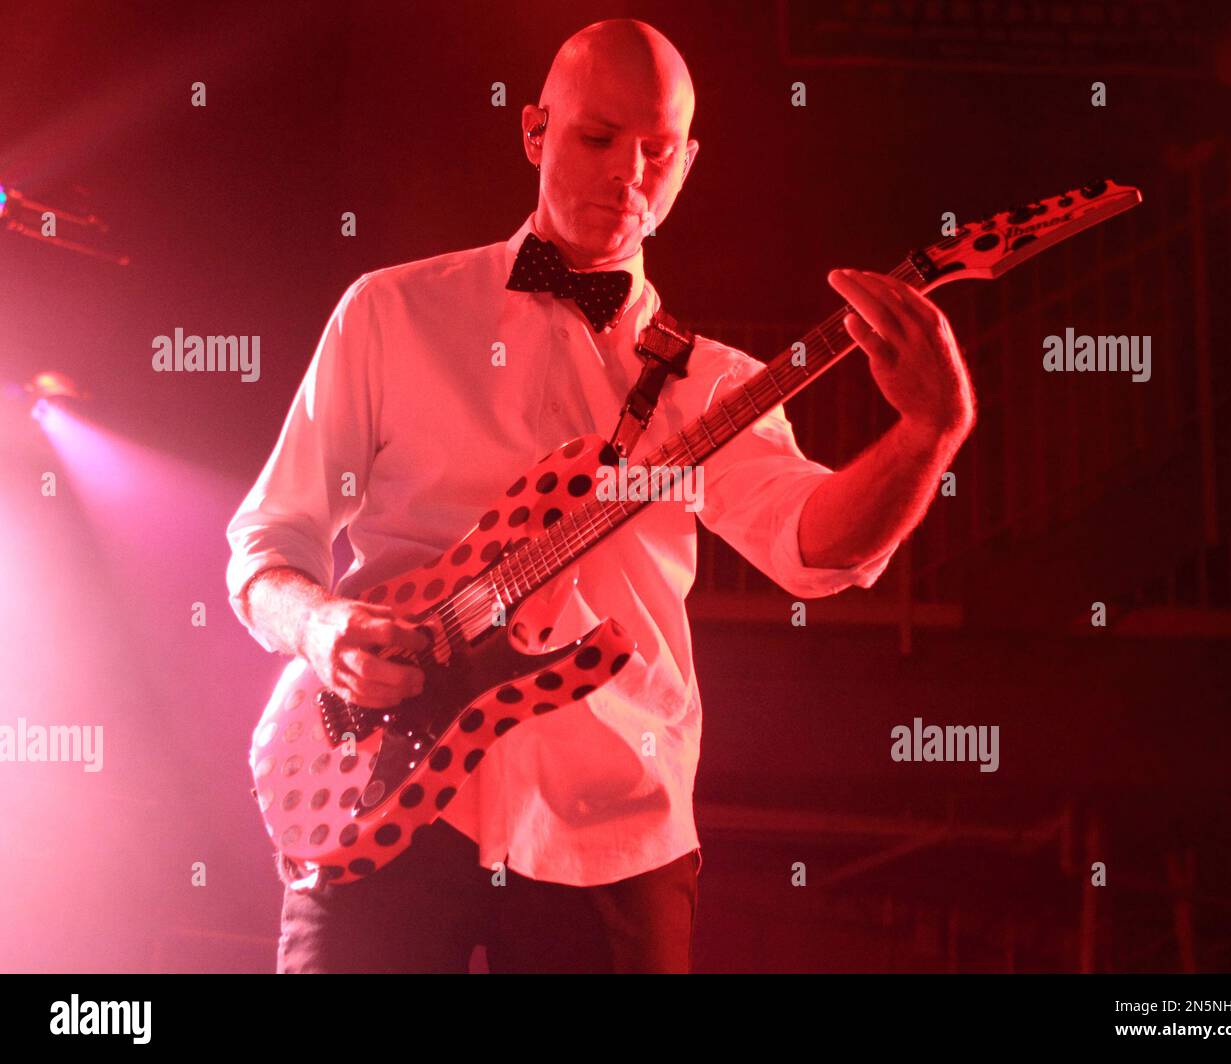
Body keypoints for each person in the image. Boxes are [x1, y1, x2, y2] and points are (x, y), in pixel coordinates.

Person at [226, 18, 975, 974]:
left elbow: (815, 547)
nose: (629, 172)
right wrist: (322, 628)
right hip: (379, 789)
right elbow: (269, 541)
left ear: (687, 165)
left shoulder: (714, 388)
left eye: (658, 152)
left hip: (614, 830)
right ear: (534, 131)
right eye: (597, 137)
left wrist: (928, 436)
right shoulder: (390, 312)